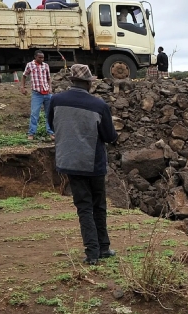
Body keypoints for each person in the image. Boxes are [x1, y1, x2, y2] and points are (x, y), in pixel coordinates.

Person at [48, 64, 118, 265]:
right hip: (93, 163)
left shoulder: (56, 100)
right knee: (98, 205)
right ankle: (103, 248)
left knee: (84, 207)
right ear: (88, 83)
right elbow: (109, 136)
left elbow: (53, 124)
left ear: (72, 81)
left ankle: (92, 252)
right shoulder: (99, 105)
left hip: (70, 161)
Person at [21, 50, 54, 140]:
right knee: (34, 113)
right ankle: (31, 133)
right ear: (35, 57)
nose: (42, 59)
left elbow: (48, 78)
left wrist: (50, 88)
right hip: (37, 93)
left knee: (49, 113)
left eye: (43, 58)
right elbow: (24, 76)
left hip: (47, 93)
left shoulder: (46, 66)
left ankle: (51, 132)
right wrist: (22, 87)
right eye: (40, 57)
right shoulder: (30, 65)